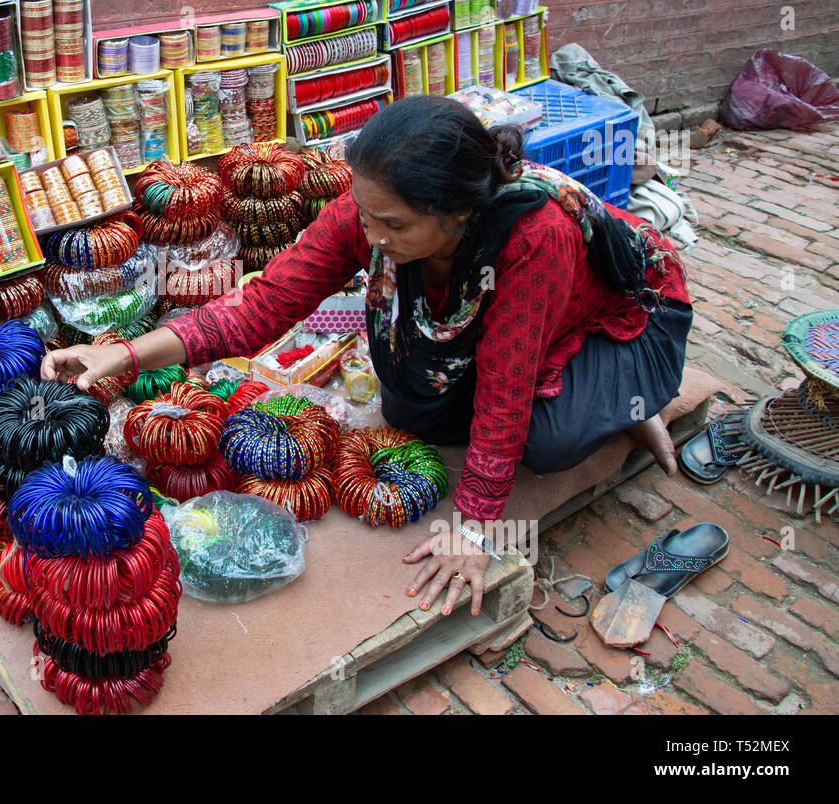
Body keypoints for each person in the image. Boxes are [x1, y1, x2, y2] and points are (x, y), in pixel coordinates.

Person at [42, 95, 691, 620]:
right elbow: (262, 304)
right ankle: (589, 394)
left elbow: (505, 388)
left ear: (459, 213)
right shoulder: (373, 211)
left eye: (394, 227)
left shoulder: (534, 235)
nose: (372, 236)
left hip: (615, 320)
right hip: (506, 322)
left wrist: (472, 533)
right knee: (414, 407)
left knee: (542, 441)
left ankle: (621, 399)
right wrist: (122, 356)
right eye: (367, 216)